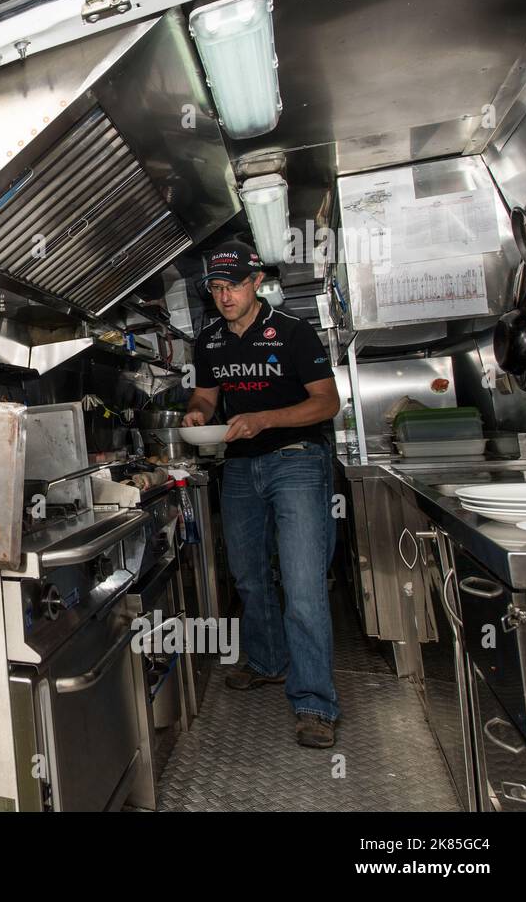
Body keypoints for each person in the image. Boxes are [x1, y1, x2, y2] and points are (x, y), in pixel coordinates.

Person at [182, 239, 342, 748]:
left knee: (301, 583)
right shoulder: (208, 342)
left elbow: (326, 403)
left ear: (256, 282)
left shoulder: (294, 333)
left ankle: (315, 702)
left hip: (297, 460)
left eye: (234, 285)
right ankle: (269, 662)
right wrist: (199, 416)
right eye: (217, 288)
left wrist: (263, 419)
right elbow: (206, 396)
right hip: (240, 467)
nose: (225, 296)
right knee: (249, 576)